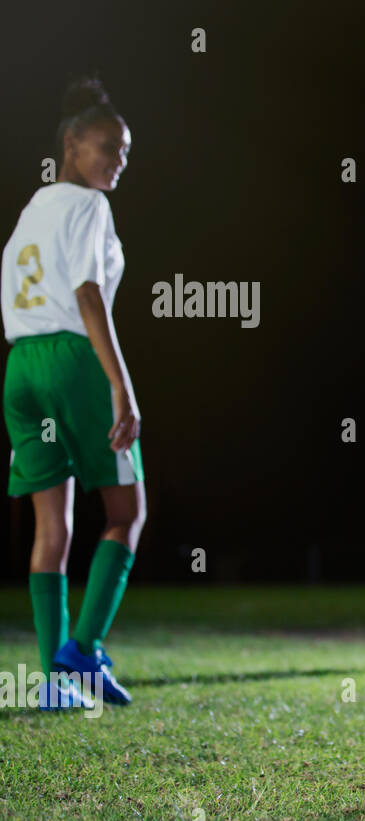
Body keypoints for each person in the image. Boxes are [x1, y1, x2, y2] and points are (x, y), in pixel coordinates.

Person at [1, 76, 144, 710]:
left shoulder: (34, 208)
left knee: (51, 529)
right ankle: (82, 654)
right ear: (71, 142)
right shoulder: (90, 207)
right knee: (125, 511)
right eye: (109, 145)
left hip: (20, 366)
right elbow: (88, 294)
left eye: (125, 149)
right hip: (68, 359)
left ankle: (52, 683)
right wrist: (120, 385)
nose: (118, 159)